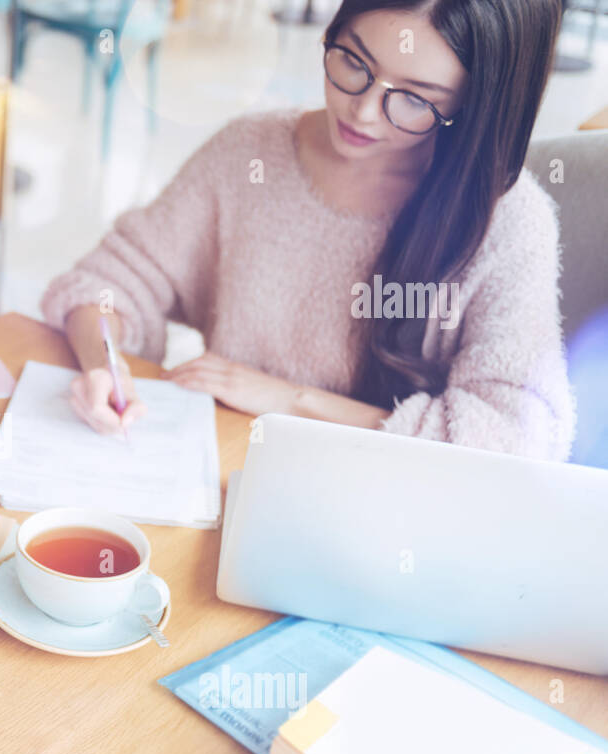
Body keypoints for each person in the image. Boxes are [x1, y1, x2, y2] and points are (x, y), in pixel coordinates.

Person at [44, 0, 574, 461]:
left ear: (472, 104)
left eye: (415, 98)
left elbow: (515, 438)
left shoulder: (507, 224)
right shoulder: (250, 152)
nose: (363, 112)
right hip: (229, 473)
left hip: (391, 515)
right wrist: (103, 366)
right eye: (353, 60)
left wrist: (292, 401)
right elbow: (106, 284)